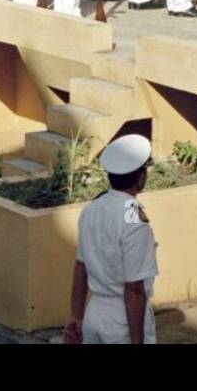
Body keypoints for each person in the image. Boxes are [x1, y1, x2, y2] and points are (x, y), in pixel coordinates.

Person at [64, 134, 158, 345]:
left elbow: (81, 267)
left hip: (94, 312)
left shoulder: (91, 210)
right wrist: (137, 340)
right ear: (141, 177)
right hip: (122, 323)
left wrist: (75, 316)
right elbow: (134, 290)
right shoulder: (134, 222)